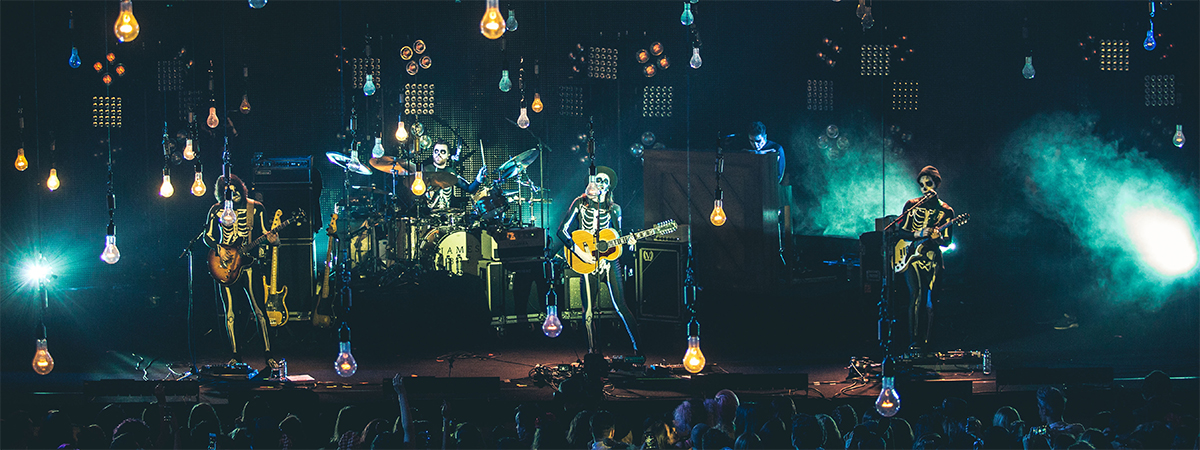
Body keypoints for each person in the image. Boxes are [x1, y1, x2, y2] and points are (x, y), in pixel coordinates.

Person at [558, 166, 640, 355]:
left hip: (608, 263)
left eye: (605, 181)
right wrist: (581, 253)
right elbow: (561, 232)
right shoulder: (580, 203)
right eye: (598, 180)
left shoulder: (614, 209)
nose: (601, 184)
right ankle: (592, 352)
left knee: (621, 306)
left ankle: (639, 350)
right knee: (588, 310)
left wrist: (629, 242)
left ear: (609, 187)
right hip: (586, 261)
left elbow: (617, 236)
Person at [203, 174, 280, 370]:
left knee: (260, 310)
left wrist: (274, 241)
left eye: (235, 188)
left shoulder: (256, 208)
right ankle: (235, 356)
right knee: (230, 312)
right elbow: (207, 236)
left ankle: (269, 355)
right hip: (226, 266)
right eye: (228, 190)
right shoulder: (217, 210)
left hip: (249, 265)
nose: (233, 192)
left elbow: (266, 233)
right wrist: (219, 249)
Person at [893, 165, 955, 351]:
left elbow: (947, 241)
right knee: (917, 295)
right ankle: (915, 342)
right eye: (922, 185)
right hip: (912, 257)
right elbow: (900, 232)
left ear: (936, 184)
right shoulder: (912, 205)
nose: (925, 188)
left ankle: (930, 342)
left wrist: (938, 238)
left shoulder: (946, 211)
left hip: (933, 257)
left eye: (929, 184)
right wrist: (918, 233)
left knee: (932, 300)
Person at [742, 121, 790, 263]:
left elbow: (779, 175)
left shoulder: (776, 148)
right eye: (752, 141)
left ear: (765, 137)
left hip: (771, 194)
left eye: (758, 141)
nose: (755, 145)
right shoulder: (746, 149)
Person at [418, 139, 487, 211]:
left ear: (448, 155)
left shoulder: (450, 172)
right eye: (436, 151)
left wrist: (478, 180)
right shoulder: (426, 170)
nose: (438, 154)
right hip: (427, 213)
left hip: (447, 213)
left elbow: (469, 189)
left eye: (442, 152)